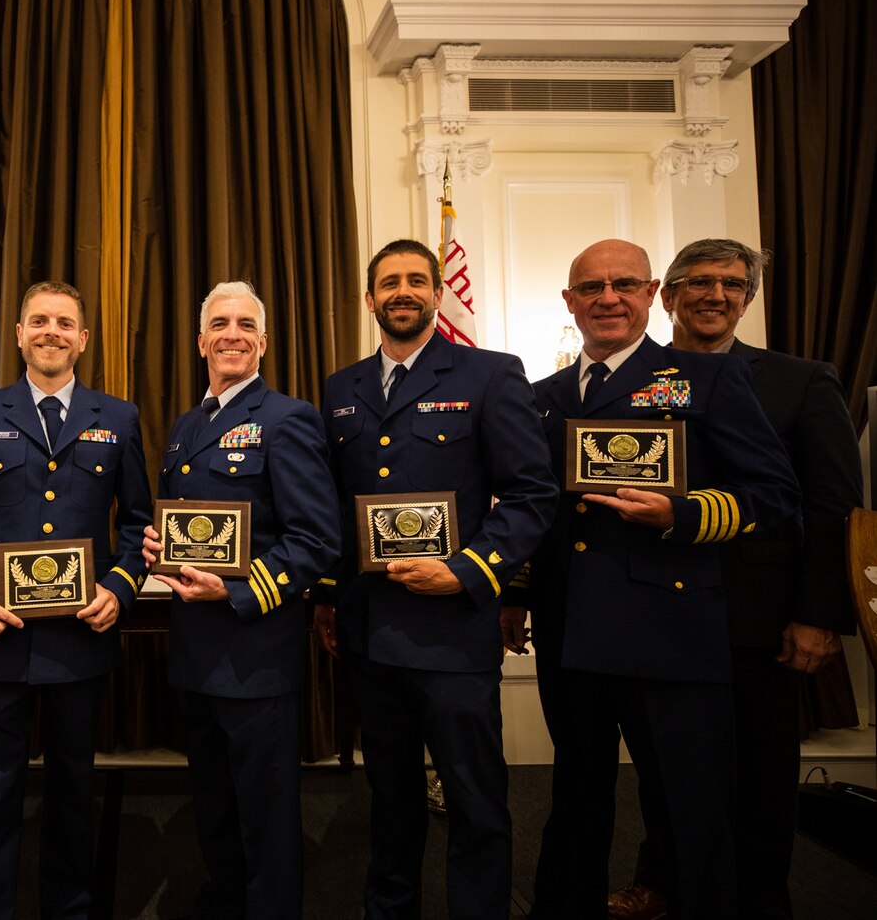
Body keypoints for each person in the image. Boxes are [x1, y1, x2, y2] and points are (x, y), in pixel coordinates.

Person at [504, 239, 800, 920]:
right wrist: (516, 596)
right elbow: (533, 506)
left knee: (692, 809)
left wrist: (684, 513)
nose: (607, 297)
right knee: (577, 801)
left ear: (650, 294)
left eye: (624, 283)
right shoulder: (541, 397)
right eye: (592, 287)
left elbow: (772, 491)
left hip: (670, 631)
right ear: (570, 302)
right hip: (570, 626)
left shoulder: (705, 378)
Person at [603, 238, 864, 920]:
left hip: (755, 620)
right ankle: (661, 879)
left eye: (730, 283)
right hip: (656, 610)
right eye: (696, 281)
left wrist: (818, 613)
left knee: (758, 779)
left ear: (748, 297)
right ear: (668, 295)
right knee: (665, 770)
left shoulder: (800, 379)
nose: (713, 295)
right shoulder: (629, 377)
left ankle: (757, 903)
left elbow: (833, 506)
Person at [311, 240, 558, 919]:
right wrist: (330, 595)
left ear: (438, 293)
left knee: (474, 797)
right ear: (369, 299)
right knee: (389, 797)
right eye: (388, 282)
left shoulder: (489, 374)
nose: (402, 291)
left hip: (452, 629)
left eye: (417, 280)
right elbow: (336, 503)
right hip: (368, 630)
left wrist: (470, 570)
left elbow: (533, 494)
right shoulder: (341, 387)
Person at [0, 280, 152, 920]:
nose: (51, 331)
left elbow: (139, 522)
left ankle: (70, 909)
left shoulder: (119, 417)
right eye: (39, 320)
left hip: (79, 642)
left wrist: (119, 586)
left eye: (65, 322)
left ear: (83, 339)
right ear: (20, 333)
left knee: (72, 792)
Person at [142, 280, 340, 920]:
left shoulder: (288, 418)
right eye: (219, 324)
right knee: (215, 802)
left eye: (245, 324)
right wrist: (157, 546)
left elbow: (316, 539)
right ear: (201, 341)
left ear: (262, 341)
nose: (232, 334)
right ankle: (225, 900)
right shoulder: (184, 426)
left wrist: (234, 590)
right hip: (196, 653)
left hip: (255, 650)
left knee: (265, 810)